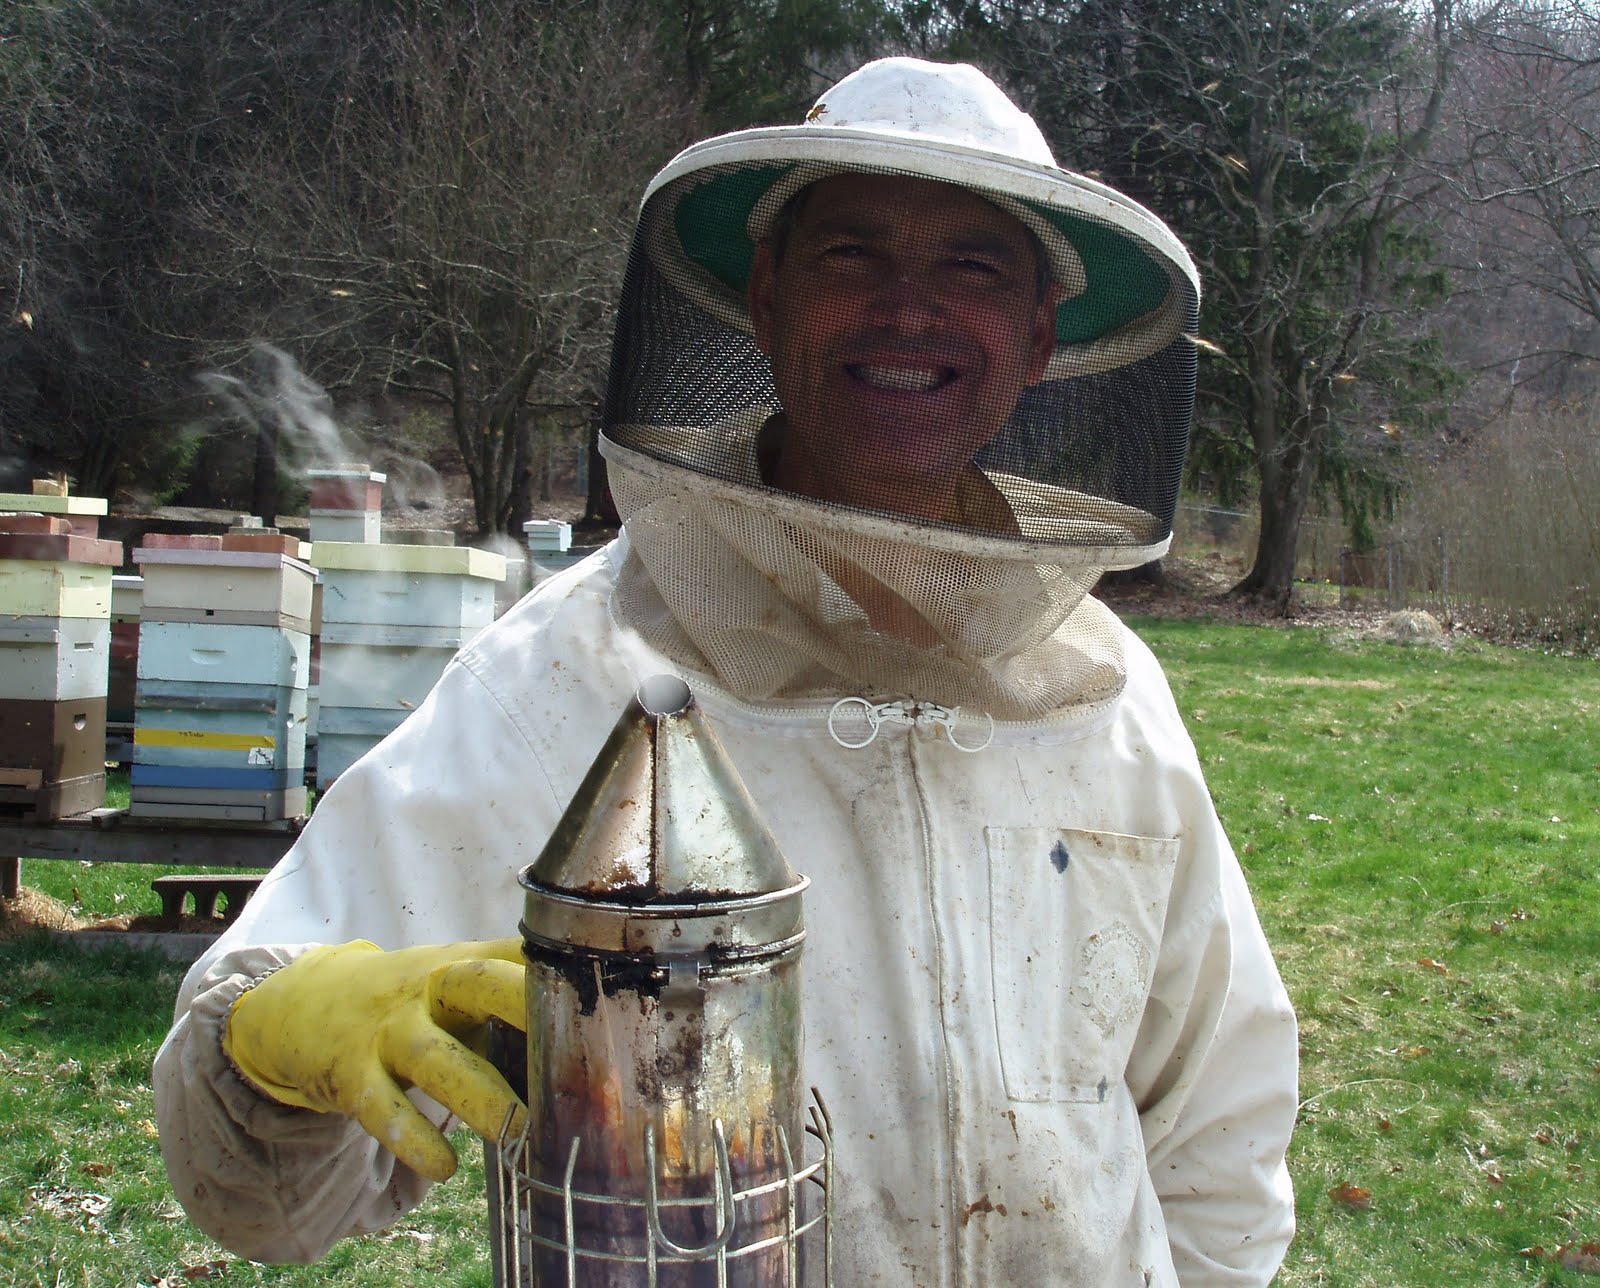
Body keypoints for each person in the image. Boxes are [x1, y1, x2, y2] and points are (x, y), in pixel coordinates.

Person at [155, 57, 1298, 1284]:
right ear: (764, 301)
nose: (905, 308)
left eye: (969, 265)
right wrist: (263, 1055)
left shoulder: (1106, 695)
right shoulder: (571, 674)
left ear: (1034, 336)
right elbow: (266, 1204)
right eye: (849, 254)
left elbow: (1215, 1128)